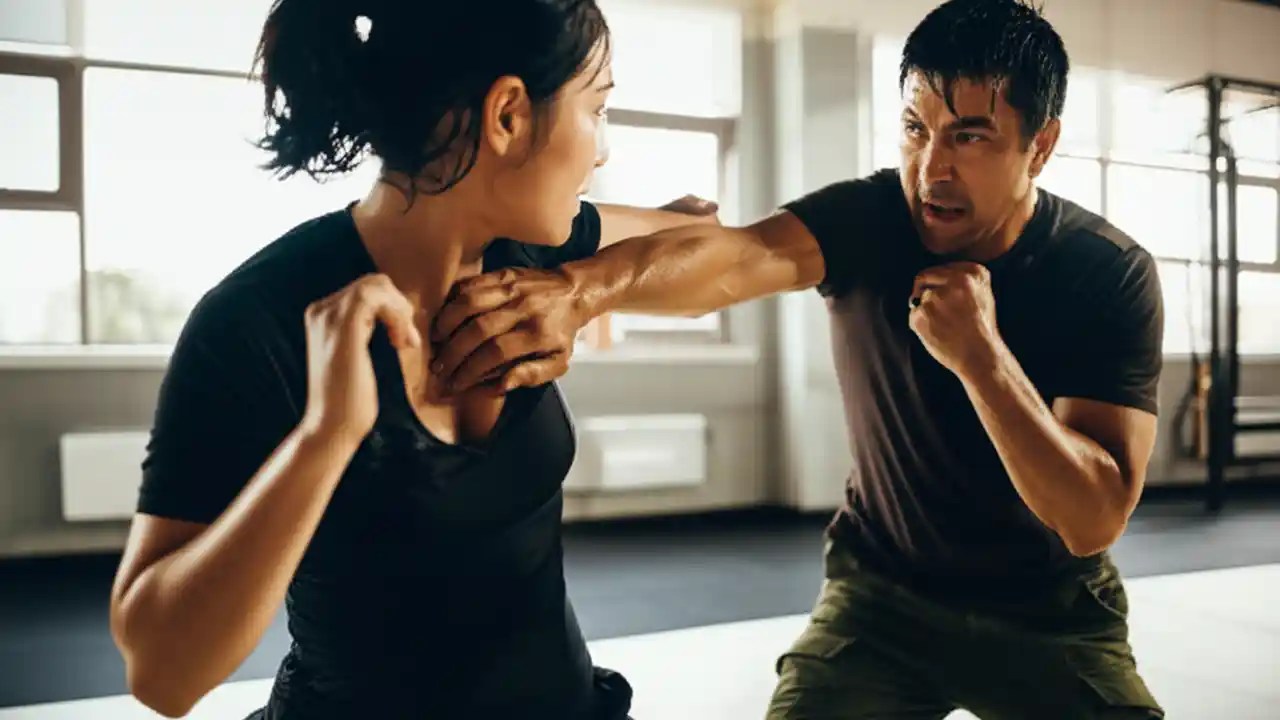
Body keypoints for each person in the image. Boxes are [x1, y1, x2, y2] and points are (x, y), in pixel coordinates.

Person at [429, 0, 1167, 717]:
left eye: (969, 137)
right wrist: (577, 291)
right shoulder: (874, 216)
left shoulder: (1107, 273)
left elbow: (1092, 519)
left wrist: (981, 359)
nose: (931, 168)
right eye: (916, 129)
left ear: (1040, 145)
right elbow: (737, 258)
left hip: (1047, 613)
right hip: (881, 598)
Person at [106, 1, 718, 718]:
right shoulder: (254, 321)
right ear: (509, 116)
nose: (602, 149)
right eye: (597, 108)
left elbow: (703, 244)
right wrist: (326, 437)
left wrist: (582, 292)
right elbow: (162, 675)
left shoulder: (534, 254)